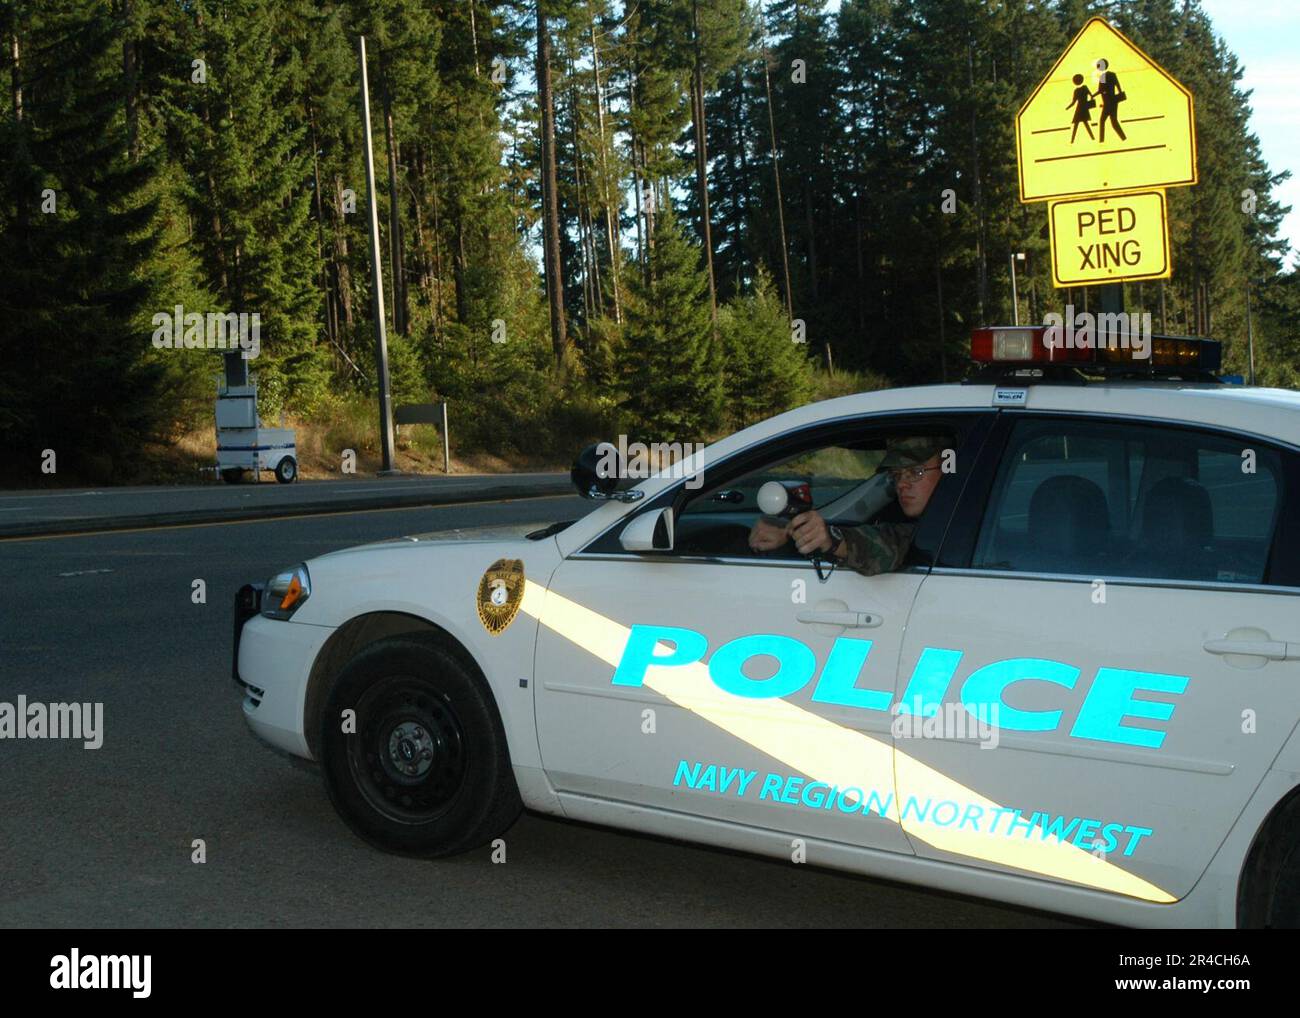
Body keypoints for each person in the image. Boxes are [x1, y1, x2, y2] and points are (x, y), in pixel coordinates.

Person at [748, 436, 948, 576]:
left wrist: (831, 539)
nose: (901, 484)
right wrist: (791, 532)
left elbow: (895, 543)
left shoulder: (953, 528)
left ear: (949, 469)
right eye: (896, 475)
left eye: (916, 472)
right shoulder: (952, 520)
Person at [1091, 58, 1126, 143]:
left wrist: (1092, 95)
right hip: (1114, 100)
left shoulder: (1103, 76)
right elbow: (1118, 85)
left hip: (1108, 102)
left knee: (1102, 121)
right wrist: (1120, 94)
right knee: (1113, 121)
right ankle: (1123, 138)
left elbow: (1101, 90)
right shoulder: (1112, 74)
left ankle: (1101, 140)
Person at [1067, 73, 1095, 143]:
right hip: (1084, 107)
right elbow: (1091, 95)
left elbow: (1073, 102)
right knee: (1085, 123)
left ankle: (1072, 140)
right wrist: (1090, 101)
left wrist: (1067, 108)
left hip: (1079, 109)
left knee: (1076, 124)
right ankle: (1092, 138)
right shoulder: (1085, 88)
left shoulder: (1076, 91)